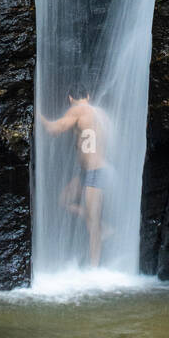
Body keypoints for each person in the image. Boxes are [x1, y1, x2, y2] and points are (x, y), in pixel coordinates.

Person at [39, 86, 111, 267]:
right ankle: (102, 225)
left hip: (95, 173)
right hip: (90, 172)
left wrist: (36, 113)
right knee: (64, 201)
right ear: (88, 95)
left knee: (92, 226)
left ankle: (94, 269)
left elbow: (53, 129)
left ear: (70, 98)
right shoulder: (100, 114)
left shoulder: (78, 110)